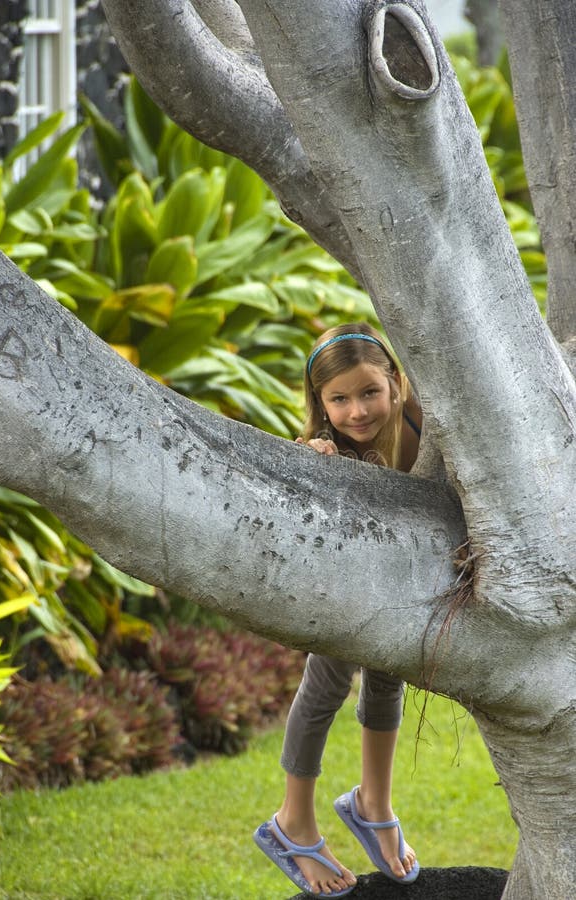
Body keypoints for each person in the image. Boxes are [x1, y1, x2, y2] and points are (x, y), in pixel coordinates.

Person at [253, 322, 422, 898]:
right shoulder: (322, 448)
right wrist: (313, 463)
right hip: (343, 587)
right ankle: (292, 819)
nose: (358, 411)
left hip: (399, 582)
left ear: (395, 381)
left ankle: (373, 802)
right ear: (320, 403)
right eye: (340, 399)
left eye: (370, 391)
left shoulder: (423, 420)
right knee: (326, 684)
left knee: (388, 677)